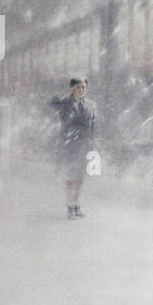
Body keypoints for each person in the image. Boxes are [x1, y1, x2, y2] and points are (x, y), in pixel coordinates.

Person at [48, 77, 97, 219]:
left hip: (85, 146)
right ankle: (70, 207)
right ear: (72, 89)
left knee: (81, 178)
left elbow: (93, 126)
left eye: (83, 87)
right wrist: (66, 93)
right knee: (71, 177)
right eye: (77, 88)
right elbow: (51, 102)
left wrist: (93, 145)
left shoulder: (91, 105)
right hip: (69, 145)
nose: (81, 90)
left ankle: (76, 205)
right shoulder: (65, 103)